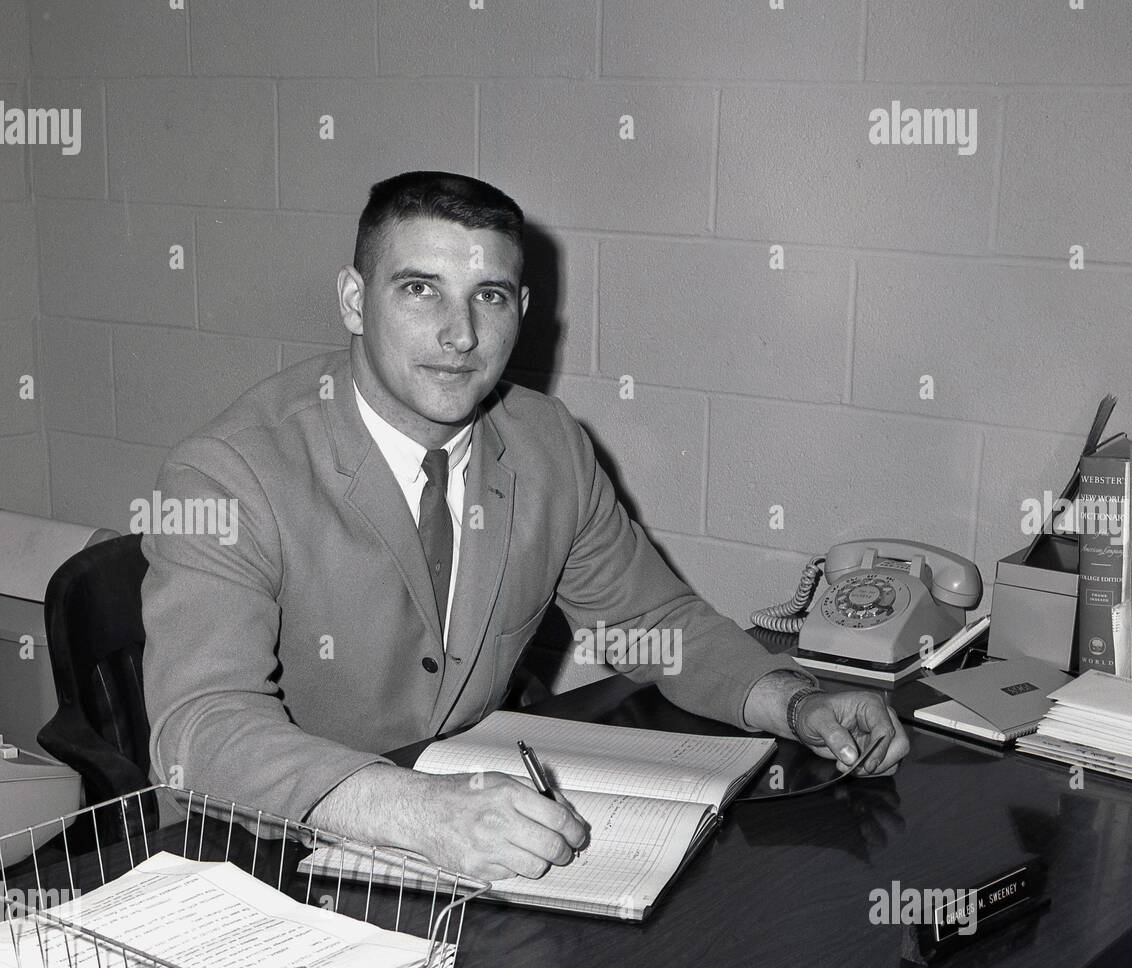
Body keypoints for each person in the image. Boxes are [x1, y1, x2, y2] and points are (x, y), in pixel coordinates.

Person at [141, 171, 908, 882]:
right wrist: (410, 811)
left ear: (524, 311)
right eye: (419, 290)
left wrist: (795, 702)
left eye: (490, 296)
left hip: (467, 847)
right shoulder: (230, 472)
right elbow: (201, 727)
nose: (460, 335)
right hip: (264, 860)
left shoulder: (547, 444)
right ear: (352, 298)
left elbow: (649, 622)